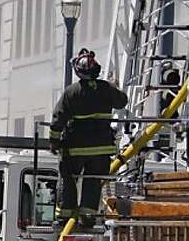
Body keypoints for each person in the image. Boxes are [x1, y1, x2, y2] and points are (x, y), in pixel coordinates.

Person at [50, 49, 129, 230]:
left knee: (68, 179)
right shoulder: (106, 89)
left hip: (75, 149)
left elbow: (58, 119)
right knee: (92, 182)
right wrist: (114, 86)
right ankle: (88, 216)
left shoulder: (72, 92)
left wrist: (54, 142)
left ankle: (65, 215)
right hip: (101, 150)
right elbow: (122, 102)